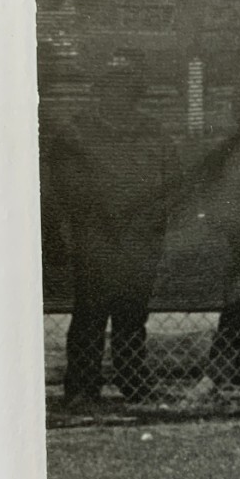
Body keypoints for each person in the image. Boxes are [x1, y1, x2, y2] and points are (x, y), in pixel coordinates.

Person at [48, 52, 178, 407]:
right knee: (90, 315)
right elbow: (63, 185)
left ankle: (133, 382)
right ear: (100, 90)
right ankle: (82, 389)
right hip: (97, 237)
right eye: (113, 86)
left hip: (139, 240)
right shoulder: (78, 131)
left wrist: (154, 221)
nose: (120, 94)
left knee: (132, 316)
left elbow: (172, 179)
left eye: (128, 87)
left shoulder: (154, 132)